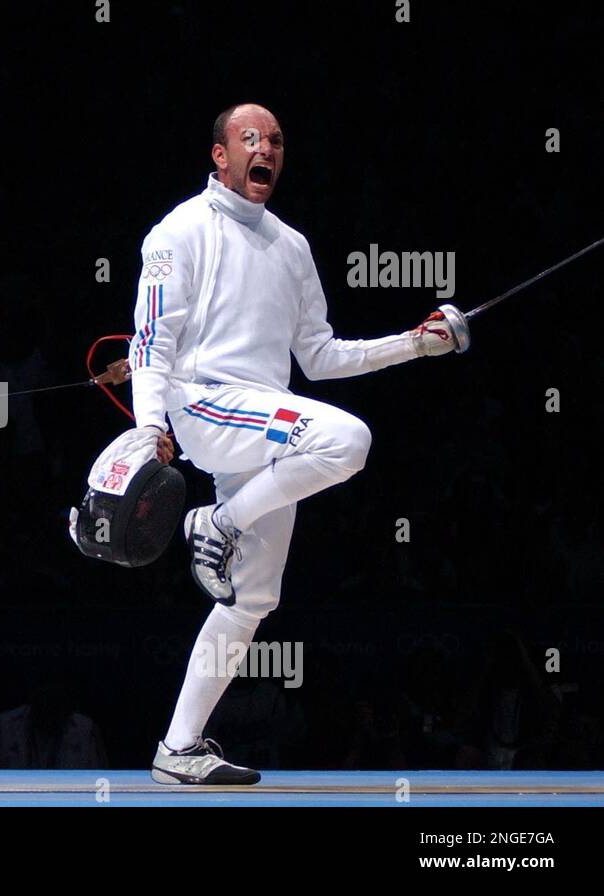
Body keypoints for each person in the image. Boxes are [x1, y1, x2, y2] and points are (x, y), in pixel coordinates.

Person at [131, 104, 457, 784]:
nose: (266, 148)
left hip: (266, 427)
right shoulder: (179, 231)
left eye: (276, 140)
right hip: (206, 407)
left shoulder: (292, 245)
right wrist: (149, 432)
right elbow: (150, 345)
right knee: (348, 437)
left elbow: (321, 356)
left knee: (251, 599)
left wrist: (415, 345)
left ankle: (179, 747)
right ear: (219, 153)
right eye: (250, 138)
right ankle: (215, 520)